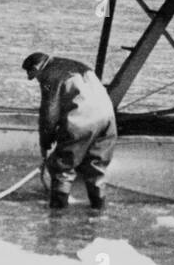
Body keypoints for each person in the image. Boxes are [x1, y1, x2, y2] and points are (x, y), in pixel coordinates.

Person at [22, 52, 118, 210]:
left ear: (37, 68)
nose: (36, 80)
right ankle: (98, 210)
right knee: (96, 169)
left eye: (33, 76)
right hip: (107, 119)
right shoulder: (77, 65)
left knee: (61, 168)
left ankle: (57, 216)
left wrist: (45, 142)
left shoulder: (49, 74)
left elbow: (49, 113)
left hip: (82, 122)